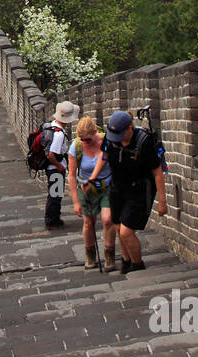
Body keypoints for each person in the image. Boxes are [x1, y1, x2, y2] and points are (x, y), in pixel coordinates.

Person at [86, 109, 167, 274]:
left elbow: (157, 172)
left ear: (130, 127)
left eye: (122, 135)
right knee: (117, 227)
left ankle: (138, 265)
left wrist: (162, 201)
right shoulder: (111, 138)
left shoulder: (143, 142)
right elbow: (105, 155)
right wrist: (93, 177)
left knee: (126, 232)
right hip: (118, 187)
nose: (119, 139)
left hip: (139, 189)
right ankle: (126, 261)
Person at [68, 117, 116, 271]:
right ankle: (90, 254)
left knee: (108, 219)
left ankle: (109, 254)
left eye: (88, 140)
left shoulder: (107, 142)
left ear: (95, 133)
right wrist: (75, 202)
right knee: (89, 222)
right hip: (85, 188)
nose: (85, 143)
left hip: (107, 186)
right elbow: (71, 175)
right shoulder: (76, 146)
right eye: (83, 140)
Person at [44, 101, 79, 229]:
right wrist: (60, 167)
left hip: (52, 168)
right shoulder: (58, 134)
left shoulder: (52, 125)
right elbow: (51, 155)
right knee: (55, 195)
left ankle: (54, 218)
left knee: (55, 193)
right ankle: (52, 221)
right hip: (55, 169)